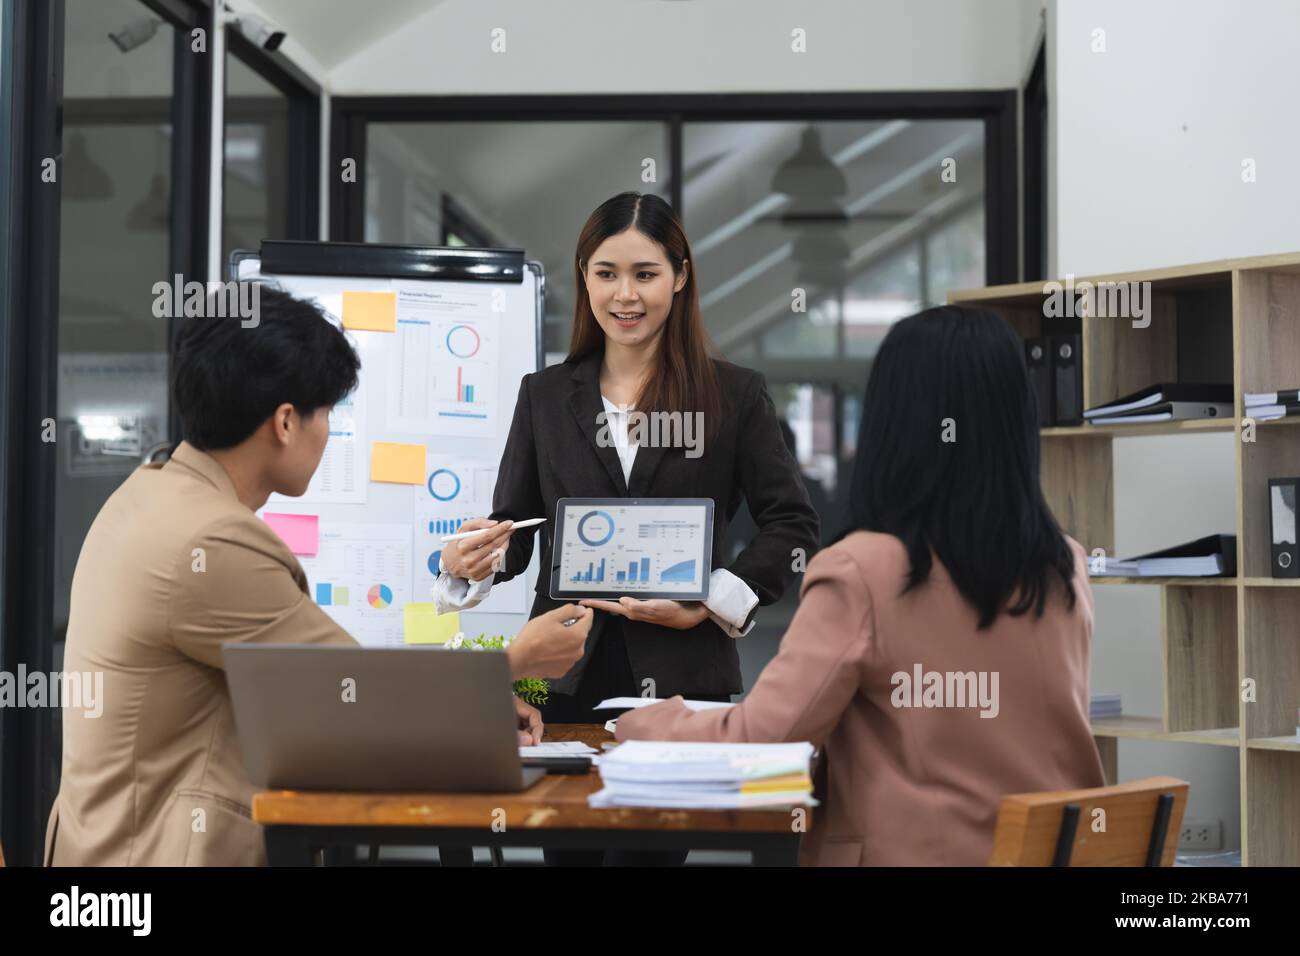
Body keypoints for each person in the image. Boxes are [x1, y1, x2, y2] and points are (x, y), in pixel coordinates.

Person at [45, 286, 590, 867]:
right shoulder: (212, 542)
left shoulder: (149, 492)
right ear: (285, 422)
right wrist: (517, 660)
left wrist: (478, 705)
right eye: (327, 412)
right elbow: (350, 695)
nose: (328, 431)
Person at [615, 305, 1107, 866]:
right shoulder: (1062, 564)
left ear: (892, 423)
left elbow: (765, 740)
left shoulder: (862, 571)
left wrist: (648, 722)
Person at [436, 191, 820, 864]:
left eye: (645, 273)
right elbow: (517, 532)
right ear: (584, 276)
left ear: (680, 274)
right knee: (566, 853)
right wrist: (472, 562)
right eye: (607, 272)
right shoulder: (545, 395)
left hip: (682, 679)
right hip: (559, 676)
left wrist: (707, 600)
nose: (625, 295)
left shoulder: (734, 395)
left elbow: (791, 524)